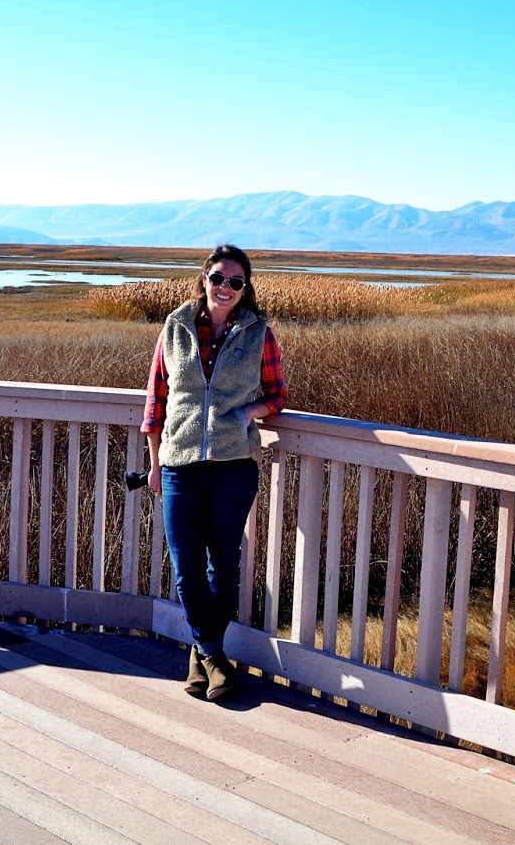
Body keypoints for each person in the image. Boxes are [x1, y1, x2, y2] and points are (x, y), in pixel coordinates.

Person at [141, 244, 287, 701]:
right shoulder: (176, 327)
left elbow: (277, 394)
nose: (225, 288)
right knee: (186, 569)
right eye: (219, 278)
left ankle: (201, 654)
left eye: (236, 282)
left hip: (232, 468)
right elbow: (155, 402)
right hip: (179, 467)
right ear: (204, 277)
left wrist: (247, 414)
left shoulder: (258, 333)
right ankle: (212, 655)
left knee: (221, 566)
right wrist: (154, 462)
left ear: (245, 290)